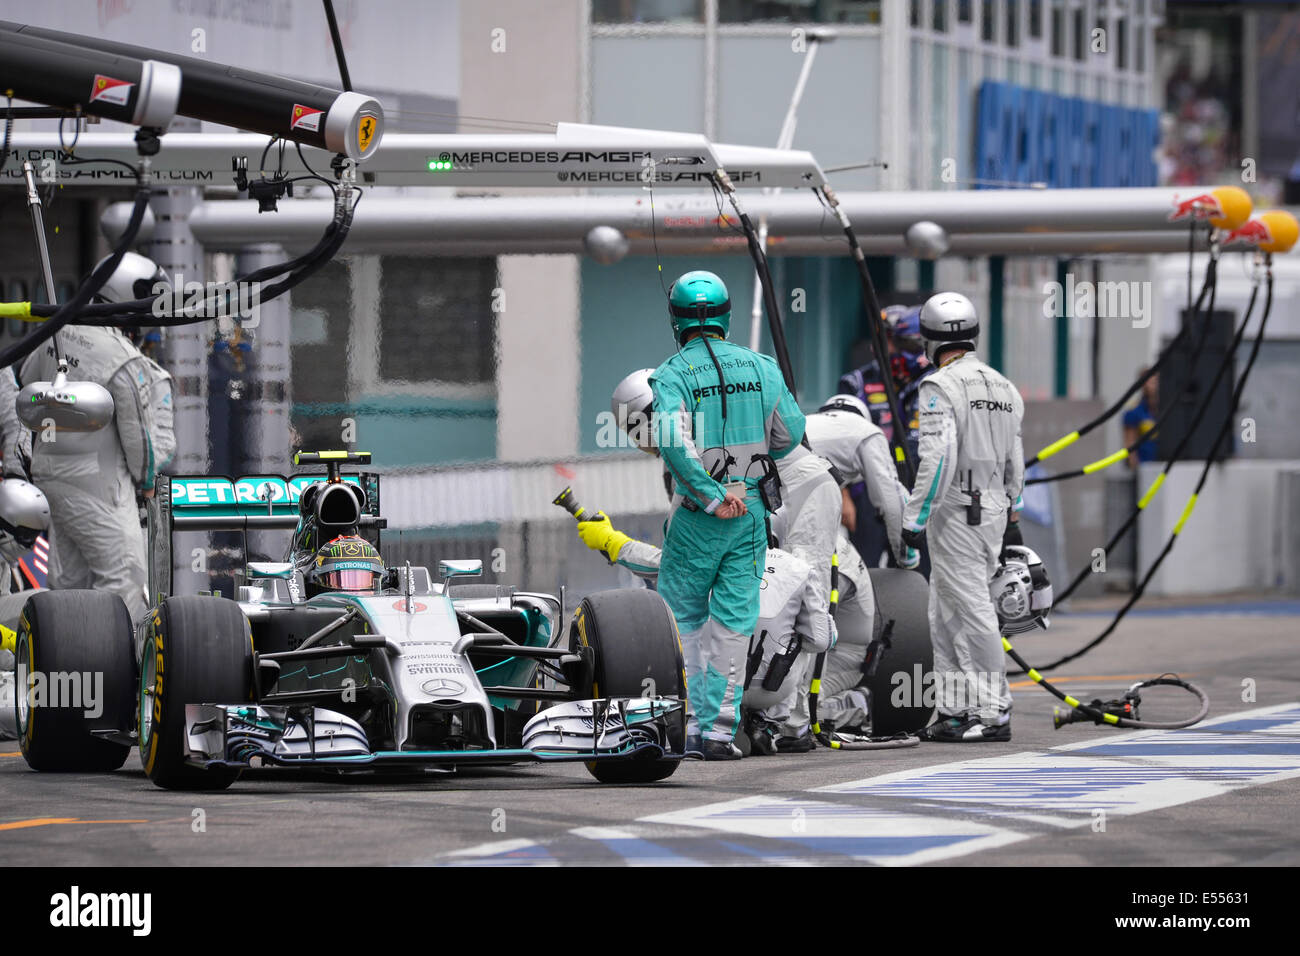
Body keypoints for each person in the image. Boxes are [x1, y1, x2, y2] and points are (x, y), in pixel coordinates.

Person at [649, 270, 805, 760]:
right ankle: (719, 733)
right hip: (752, 513)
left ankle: (687, 726)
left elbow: (672, 440)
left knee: (682, 620)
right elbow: (790, 434)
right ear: (726, 316)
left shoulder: (671, 374)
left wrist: (711, 494)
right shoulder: (762, 367)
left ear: (676, 320)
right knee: (735, 622)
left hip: (700, 514)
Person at [12, 252, 176, 622]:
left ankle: (66, 664)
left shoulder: (54, 334)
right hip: (101, 485)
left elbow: (24, 386)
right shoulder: (121, 358)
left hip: (51, 479)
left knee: (69, 586)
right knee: (127, 580)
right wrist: (147, 483)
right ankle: (121, 674)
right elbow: (142, 441)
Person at [901, 291, 1025, 742]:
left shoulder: (939, 386)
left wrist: (914, 519)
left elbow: (937, 460)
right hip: (991, 509)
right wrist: (1013, 510)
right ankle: (954, 711)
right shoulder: (1004, 387)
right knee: (945, 612)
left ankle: (993, 712)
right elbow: (1016, 461)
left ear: (930, 340)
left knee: (971, 611)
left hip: (957, 510)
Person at [1123, 369, 1159, 467]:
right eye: (1151, 382)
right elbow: (1130, 442)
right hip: (1144, 466)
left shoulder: (1170, 410)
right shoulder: (1134, 411)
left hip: (1165, 464)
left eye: (1156, 381)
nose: (1154, 386)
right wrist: (1134, 465)